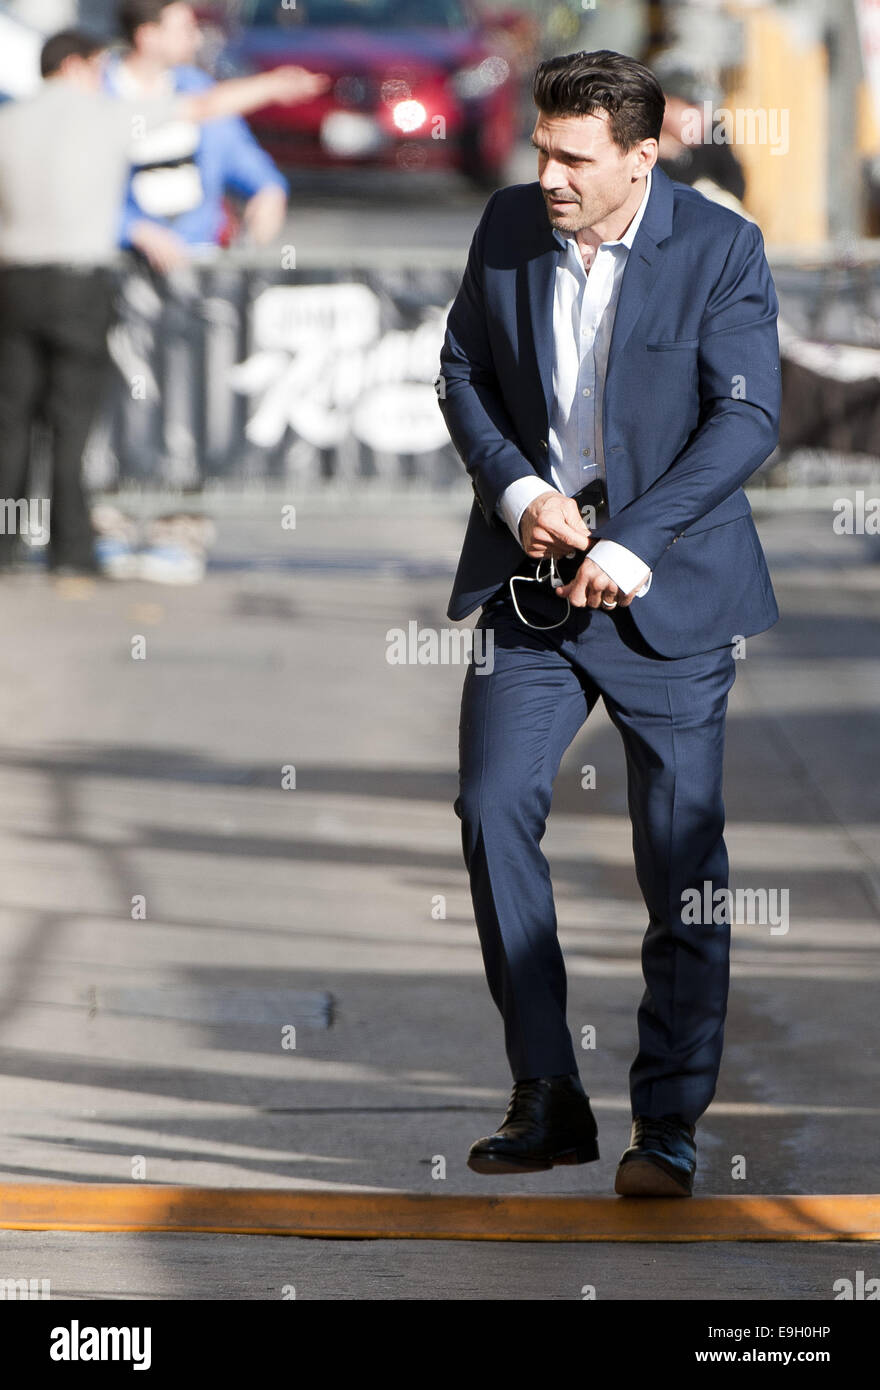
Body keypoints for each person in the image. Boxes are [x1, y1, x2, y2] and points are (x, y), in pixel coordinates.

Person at [435, 49, 780, 1197]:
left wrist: (639, 537)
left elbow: (742, 423)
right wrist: (518, 491)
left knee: (679, 864)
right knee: (491, 808)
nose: (549, 174)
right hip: (532, 590)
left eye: (575, 157)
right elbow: (462, 370)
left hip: (668, 593)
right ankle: (545, 1093)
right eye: (541, 148)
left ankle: (667, 1122)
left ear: (644, 154)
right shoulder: (507, 226)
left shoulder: (721, 249)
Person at [0, 29, 326, 575]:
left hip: (13, 285)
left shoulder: (9, 121)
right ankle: (71, 552)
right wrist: (274, 83)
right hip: (78, 284)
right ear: (79, 68)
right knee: (69, 423)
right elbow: (201, 106)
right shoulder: (101, 117)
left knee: (9, 421)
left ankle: (5, 545)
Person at [106, 0, 291, 272]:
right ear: (147, 36)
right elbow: (71, 195)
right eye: (185, 29)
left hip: (199, 266)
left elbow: (239, 155)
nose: (197, 37)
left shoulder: (197, 87)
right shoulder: (99, 97)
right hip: (120, 270)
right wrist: (134, 230)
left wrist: (269, 191)